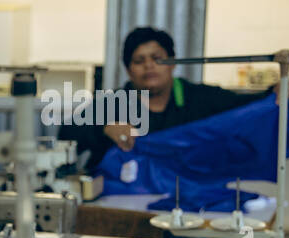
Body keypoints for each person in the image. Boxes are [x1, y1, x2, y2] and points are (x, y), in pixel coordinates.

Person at [61, 26, 272, 172]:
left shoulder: (199, 98)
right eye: (139, 61)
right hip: (120, 203)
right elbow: (66, 134)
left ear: (172, 63)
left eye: (157, 59)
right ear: (128, 70)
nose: (149, 66)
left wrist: (275, 93)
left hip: (185, 199)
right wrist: (103, 128)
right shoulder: (112, 104)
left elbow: (247, 108)